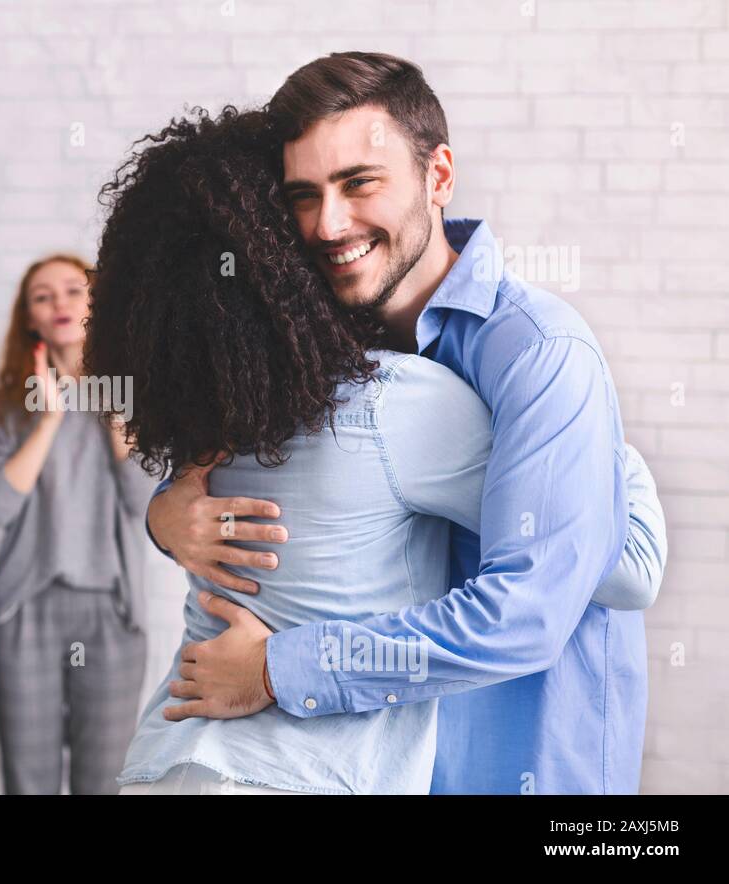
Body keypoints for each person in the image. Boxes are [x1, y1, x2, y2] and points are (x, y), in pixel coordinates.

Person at [83, 106, 666, 795]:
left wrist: (166, 515)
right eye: (303, 199)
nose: (330, 226)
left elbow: (540, 596)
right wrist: (606, 453)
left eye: (357, 184)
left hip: (169, 759)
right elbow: (626, 566)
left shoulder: (224, 411)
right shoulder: (388, 398)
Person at [0, 254, 157, 794]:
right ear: (29, 318)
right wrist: (51, 415)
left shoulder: (134, 395)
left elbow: (143, 503)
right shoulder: (15, 406)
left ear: (95, 305)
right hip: (24, 611)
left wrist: (110, 404)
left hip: (111, 612)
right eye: (42, 295)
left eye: (72, 291)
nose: (59, 303)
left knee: (102, 782)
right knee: (27, 782)